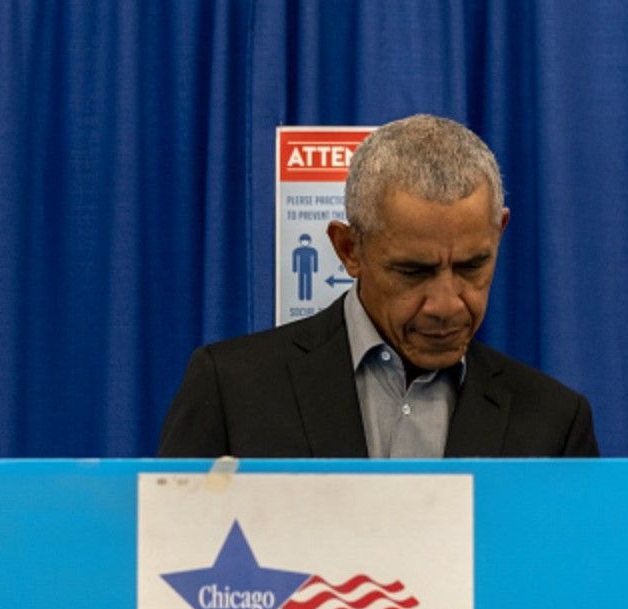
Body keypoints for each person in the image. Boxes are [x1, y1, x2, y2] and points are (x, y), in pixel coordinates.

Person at [159, 114, 598, 458]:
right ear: (349, 248)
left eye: (472, 266)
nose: (446, 304)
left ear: (498, 233)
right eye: (413, 272)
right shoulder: (232, 390)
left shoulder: (554, 423)